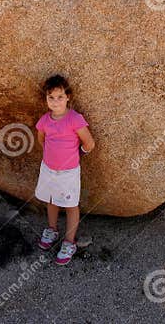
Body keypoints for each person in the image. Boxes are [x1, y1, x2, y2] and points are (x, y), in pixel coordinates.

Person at [34, 74, 95, 265]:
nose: (55, 101)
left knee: (70, 205)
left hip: (68, 172)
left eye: (60, 97)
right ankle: (52, 230)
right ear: (46, 99)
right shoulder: (45, 120)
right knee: (51, 200)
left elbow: (89, 143)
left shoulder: (74, 119)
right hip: (48, 169)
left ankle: (69, 241)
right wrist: (52, 154)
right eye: (51, 97)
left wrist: (78, 154)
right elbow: (41, 139)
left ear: (68, 97)